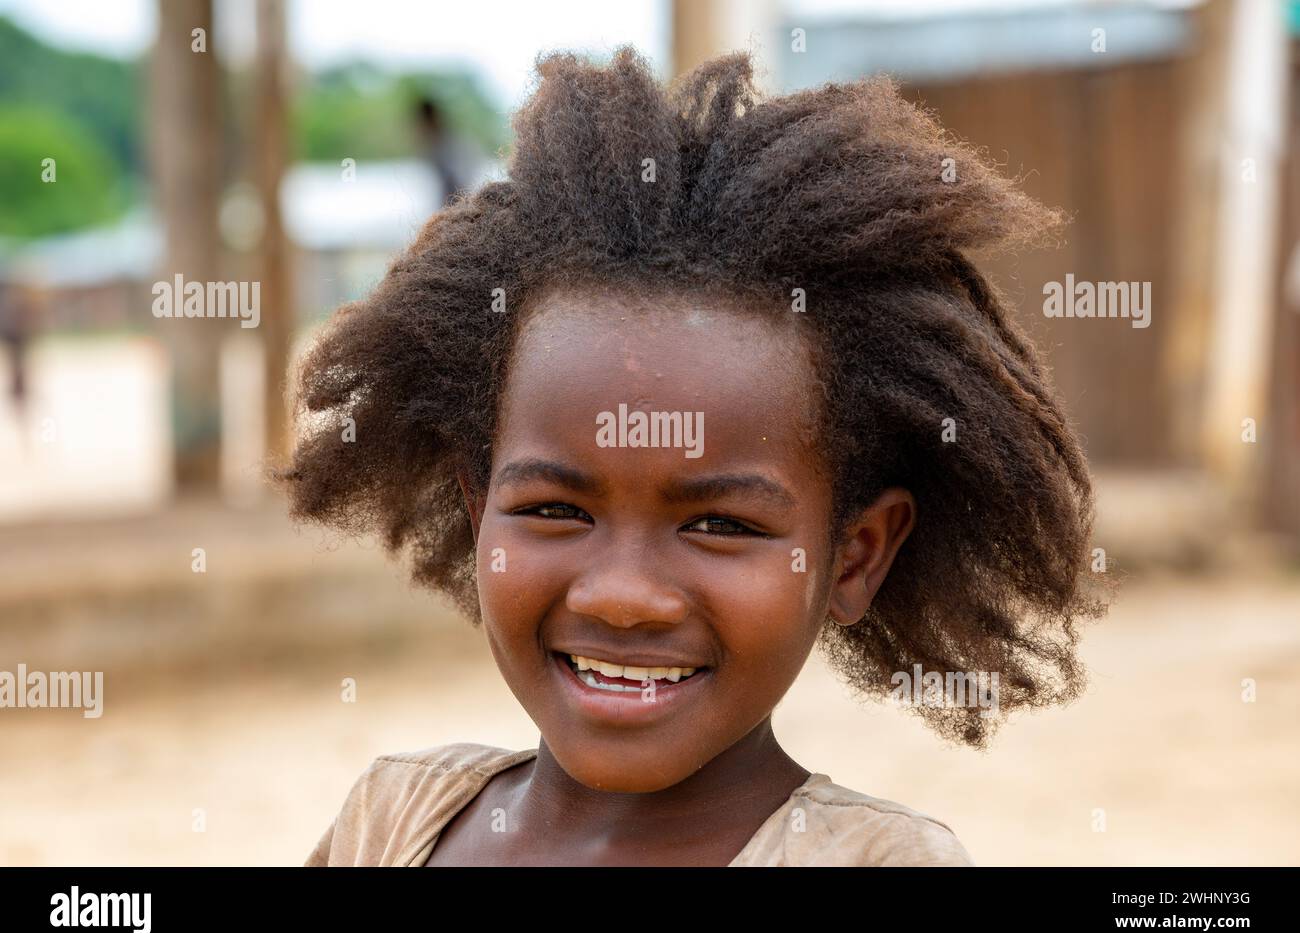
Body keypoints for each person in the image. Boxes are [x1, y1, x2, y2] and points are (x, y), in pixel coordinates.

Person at [280, 46, 1107, 866]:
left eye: (720, 523)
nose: (624, 597)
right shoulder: (392, 825)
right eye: (555, 510)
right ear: (477, 510)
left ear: (854, 557)